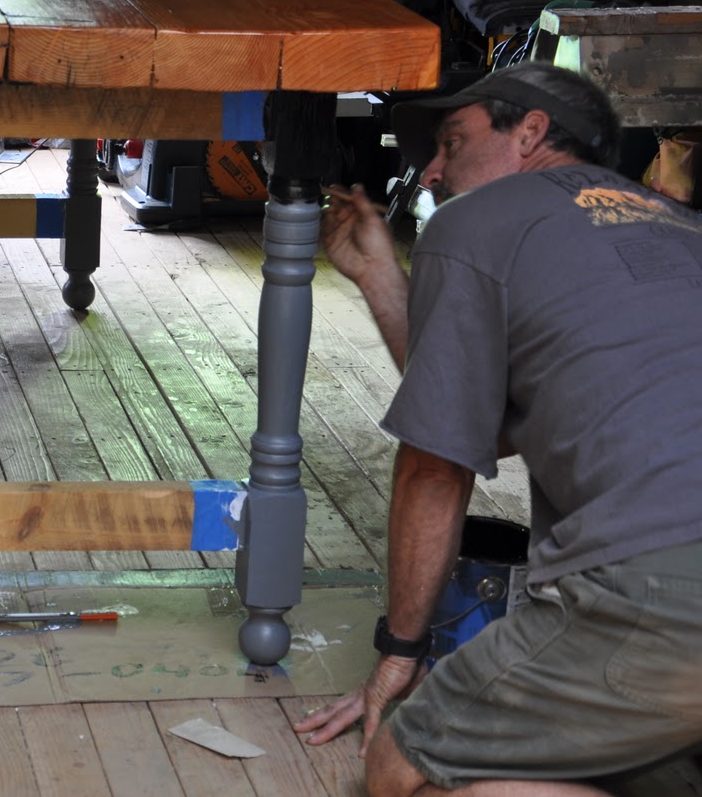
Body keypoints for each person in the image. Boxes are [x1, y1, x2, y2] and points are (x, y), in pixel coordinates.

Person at [290, 62, 702, 795]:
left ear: (532, 132)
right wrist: (385, 277)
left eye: (452, 142)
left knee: (403, 768)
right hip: (675, 611)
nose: (433, 173)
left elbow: (437, 463)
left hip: (659, 583)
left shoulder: (480, 220)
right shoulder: (678, 225)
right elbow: (491, 419)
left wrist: (400, 649)